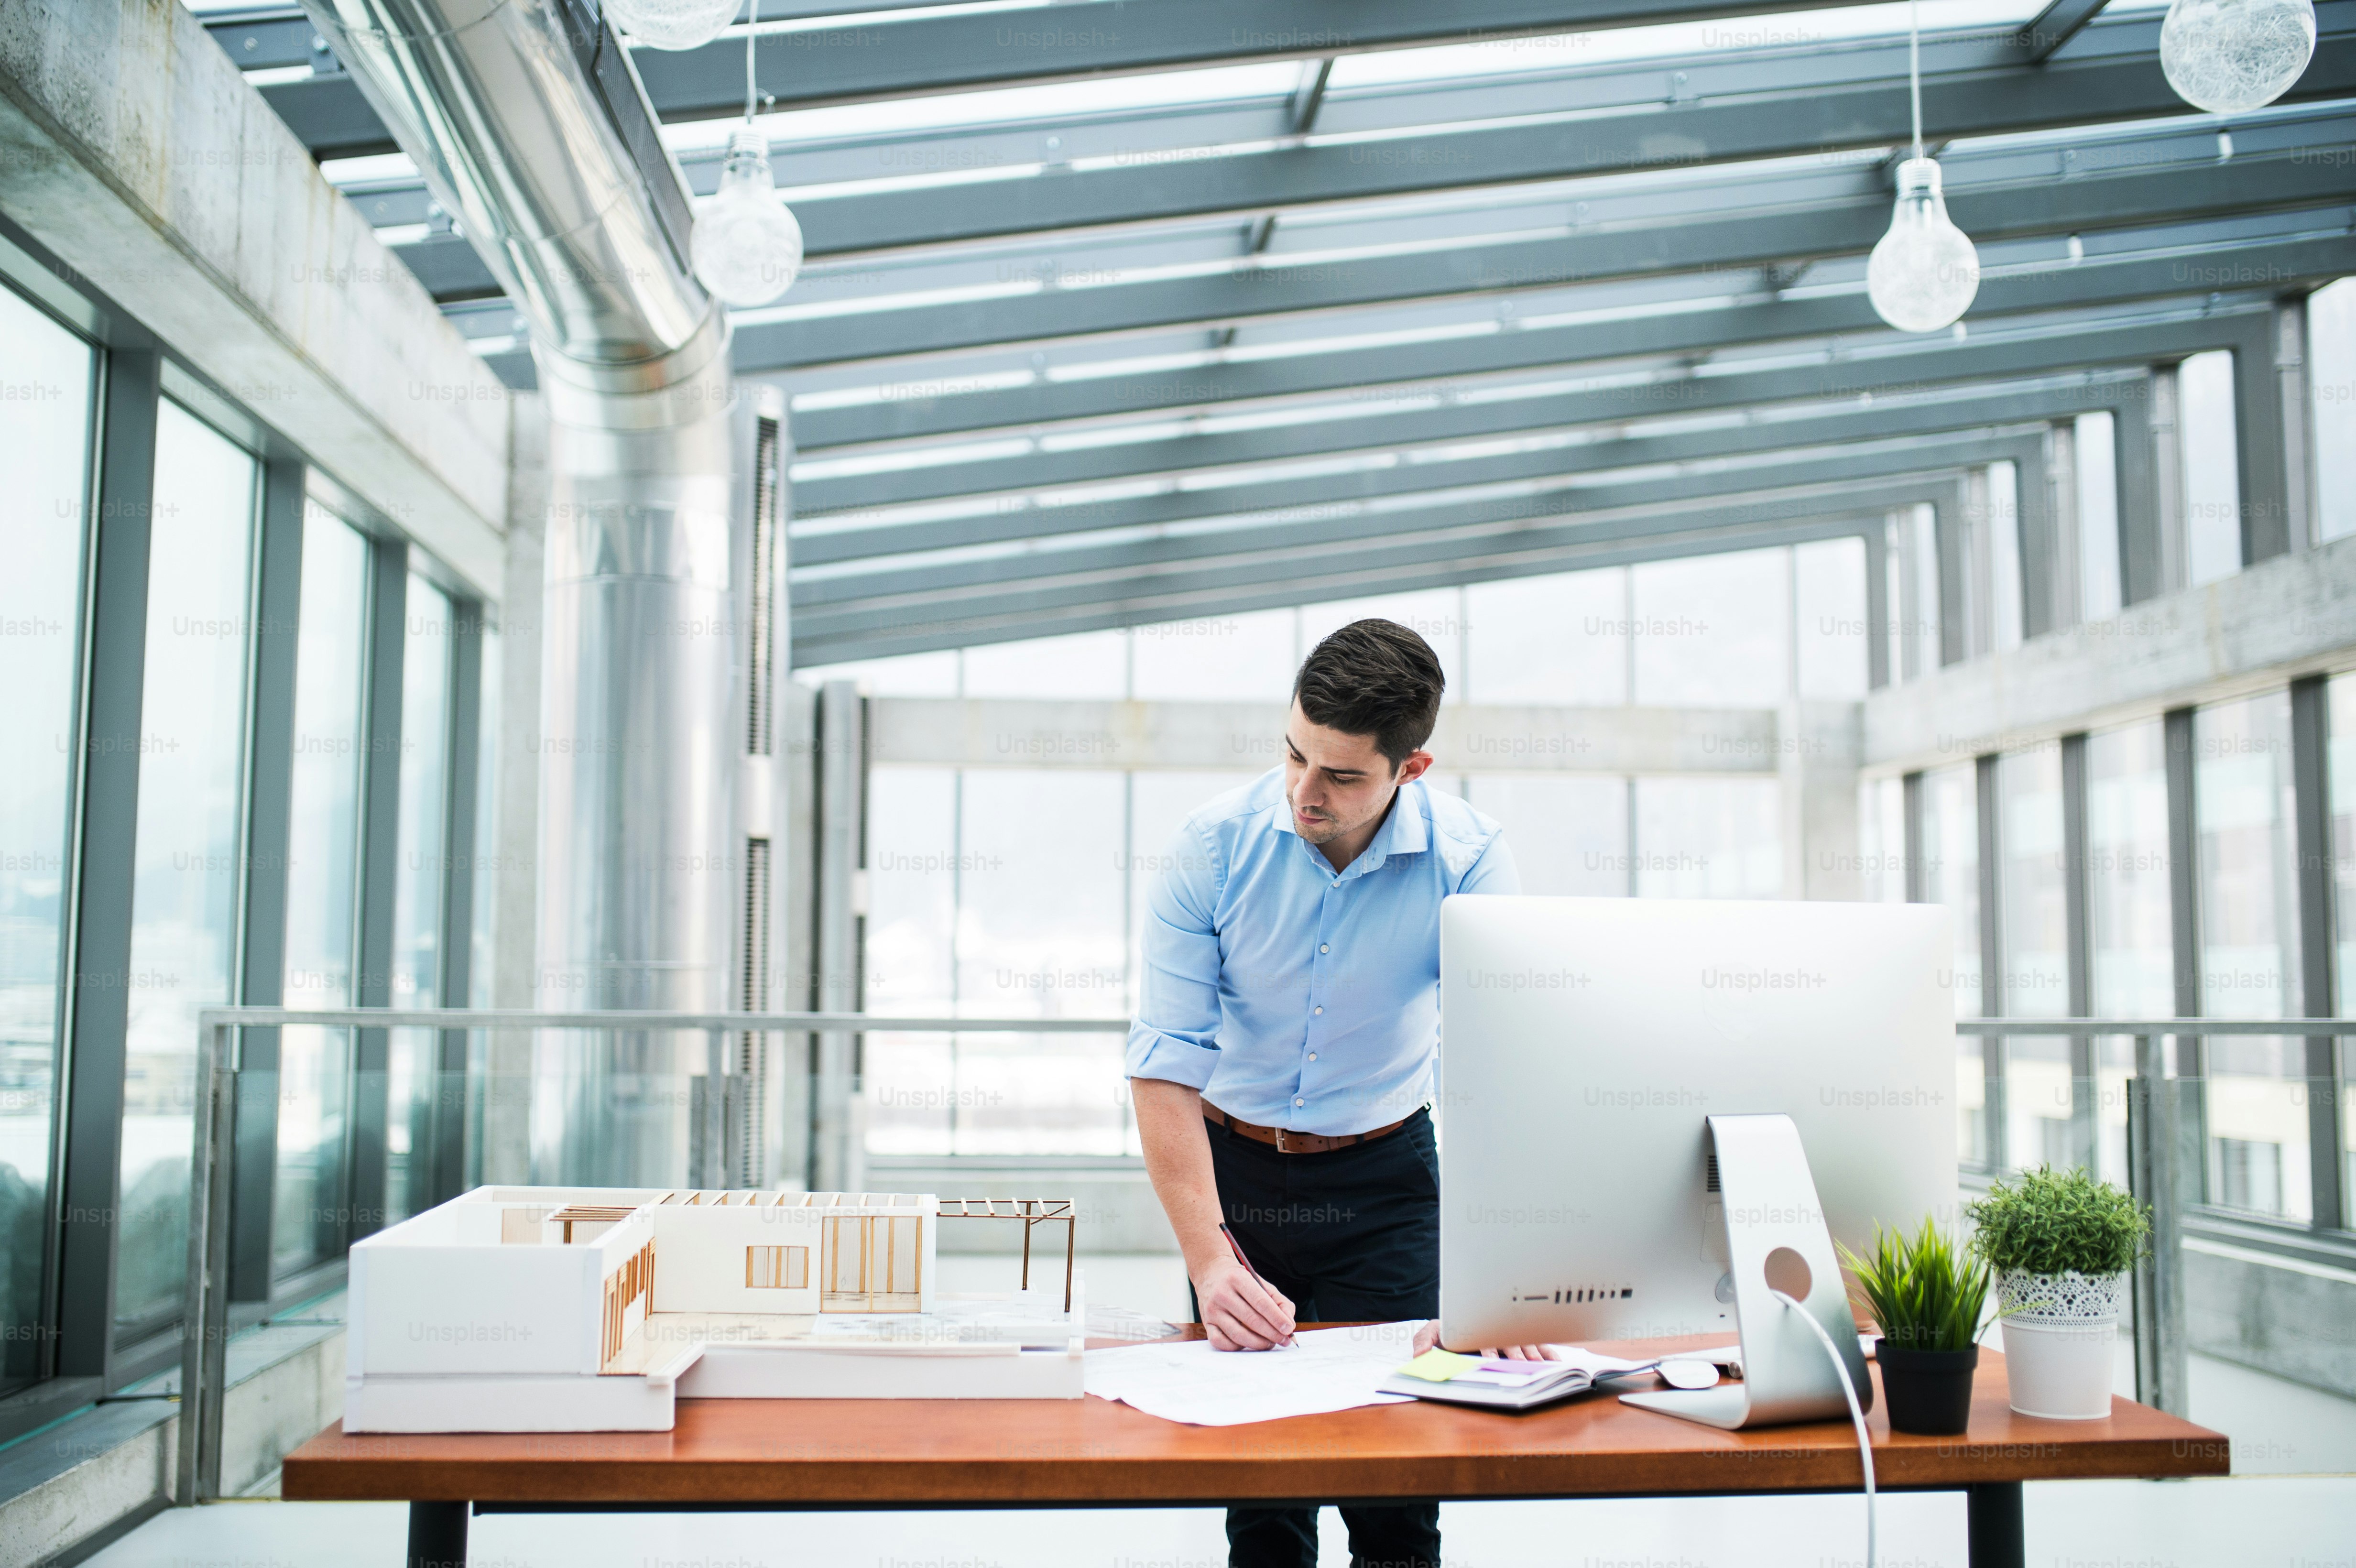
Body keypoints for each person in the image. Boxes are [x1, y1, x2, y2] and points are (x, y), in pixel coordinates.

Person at [1124, 617, 1531, 1568]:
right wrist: (1211, 1258)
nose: (1304, 791)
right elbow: (1164, 1064)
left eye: (1341, 774)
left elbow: (1501, 1072)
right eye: (1294, 754)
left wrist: (1490, 1277)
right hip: (1235, 1182)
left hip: (1386, 1183)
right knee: (1263, 1499)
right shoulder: (1212, 847)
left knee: (1394, 1490)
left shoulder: (1469, 860)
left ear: (1411, 767)